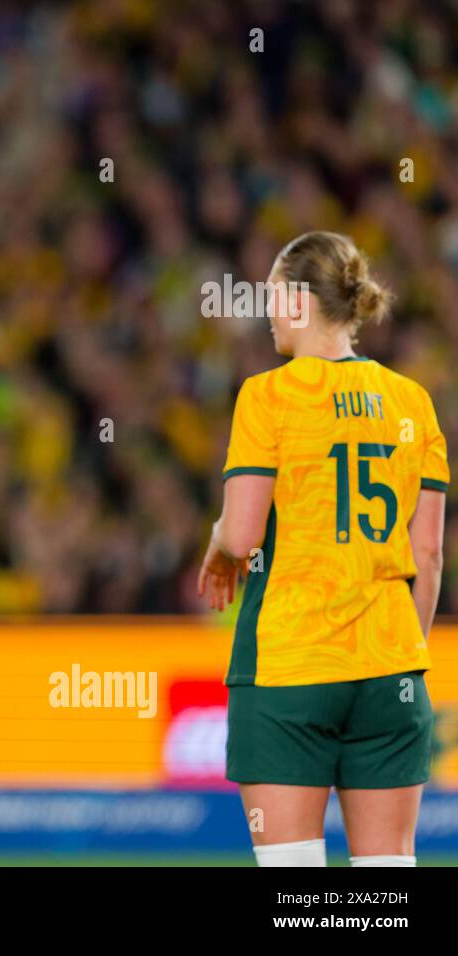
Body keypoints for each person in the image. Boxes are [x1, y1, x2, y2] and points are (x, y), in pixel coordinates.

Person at [199, 231, 447, 867]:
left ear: (299, 302)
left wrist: (218, 543)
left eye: (272, 296)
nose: (267, 311)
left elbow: (244, 533)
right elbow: (430, 556)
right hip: (389, 669)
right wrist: (400, 662)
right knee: (385, 889)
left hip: (290, 666)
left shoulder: (268, 394)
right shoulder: (412, 402)